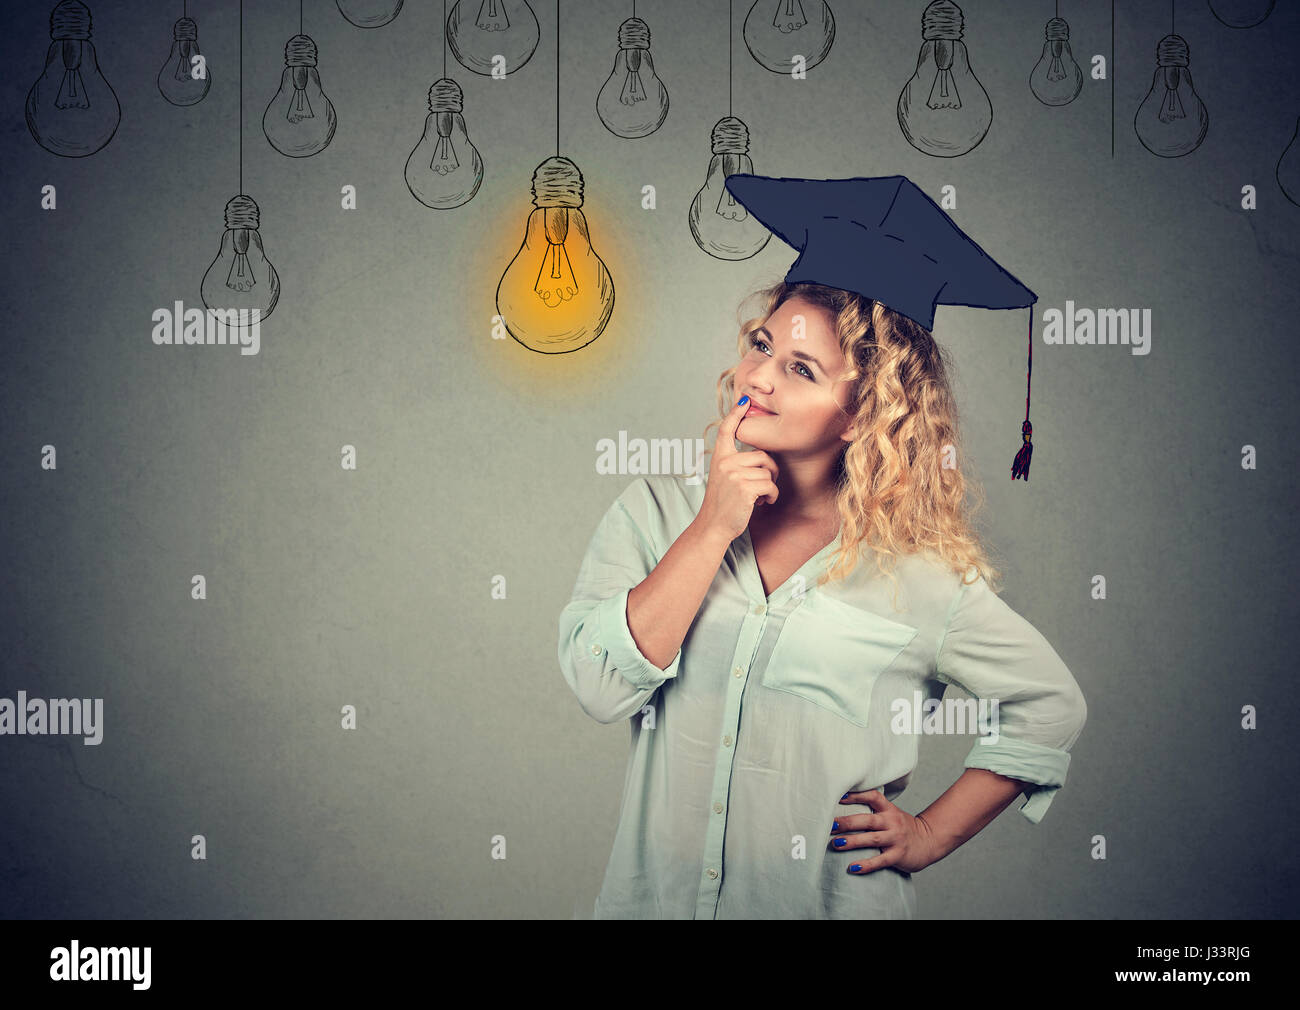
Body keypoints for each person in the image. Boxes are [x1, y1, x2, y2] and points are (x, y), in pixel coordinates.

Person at [557, 175, 1087, 920]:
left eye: (799, 369)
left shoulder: (921, 579)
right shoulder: (654, 513)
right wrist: (712, 527)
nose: (757, 378)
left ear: (863, 413)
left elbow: (1049, 704)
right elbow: (600, 685)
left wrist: (930, 832)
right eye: (762, 346)